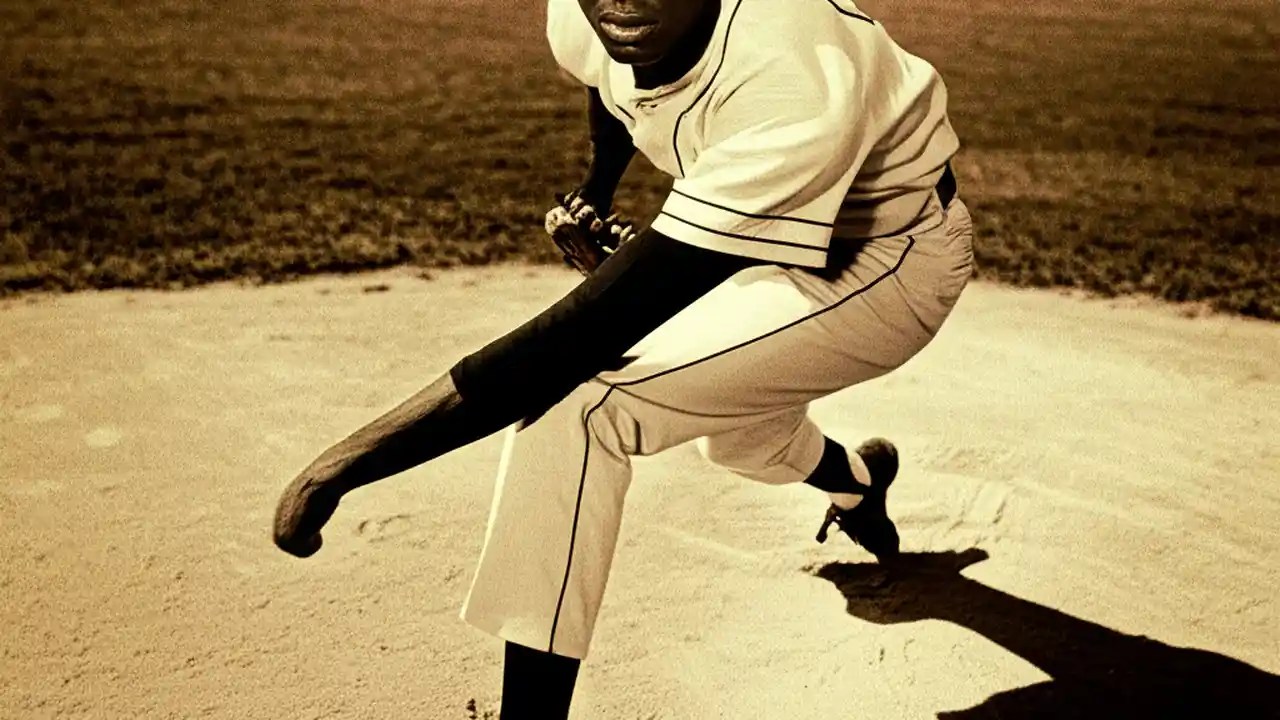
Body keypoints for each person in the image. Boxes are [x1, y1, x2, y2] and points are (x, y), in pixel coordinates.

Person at [272, 0, 974, 716]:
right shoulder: (600, 12)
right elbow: (608, 79)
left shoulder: (792, 64)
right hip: (778, 232)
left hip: (890, 259)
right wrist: (598, 187)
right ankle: (857, 484)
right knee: (739, 442)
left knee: (578, 406)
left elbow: (580, 338)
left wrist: (345, 465)